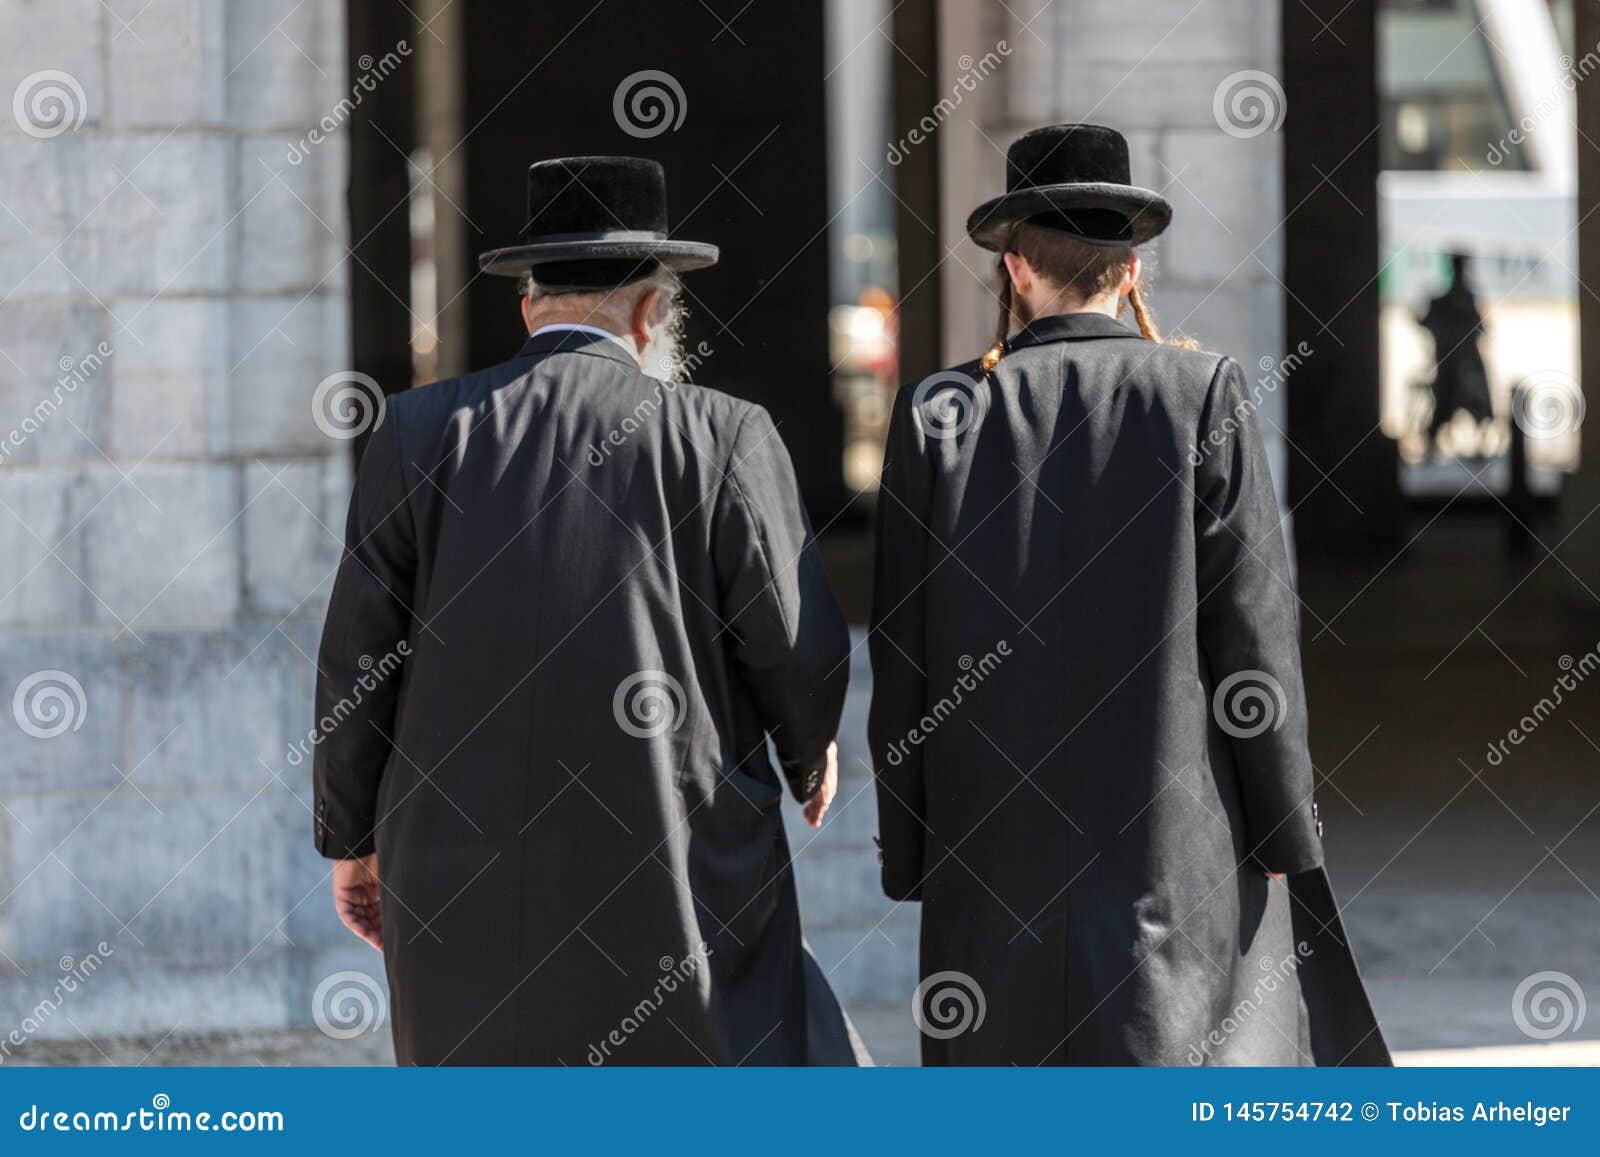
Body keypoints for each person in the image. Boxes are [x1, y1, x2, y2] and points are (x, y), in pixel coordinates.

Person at [313, 155, 864, 1065]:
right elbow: (795, 639)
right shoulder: (723, 432)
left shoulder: (416, 432)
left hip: (457, 868)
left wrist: (353, 837)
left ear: (529, 306)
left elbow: (357, 659)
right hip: (673, 851)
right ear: (652, 313)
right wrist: (809, 753)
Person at [869, 124, 1389, 1066]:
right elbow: (1253, 640)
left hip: (991, 860)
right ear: (1133, 268)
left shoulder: (935, 416)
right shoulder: (1201, 394)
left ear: (1016, 267)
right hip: (1173, 850)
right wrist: (1280, 830)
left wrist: (908, 850)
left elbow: (902, 653)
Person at [1420, 251, 1493, 454]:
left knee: (1476, 399)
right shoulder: (1446, 302)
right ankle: (1436, 440)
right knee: (1449, 398)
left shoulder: (1464, 300)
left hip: (1465, 367)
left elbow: (1481, 329)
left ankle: (1479, 443)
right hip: (1451, 368)